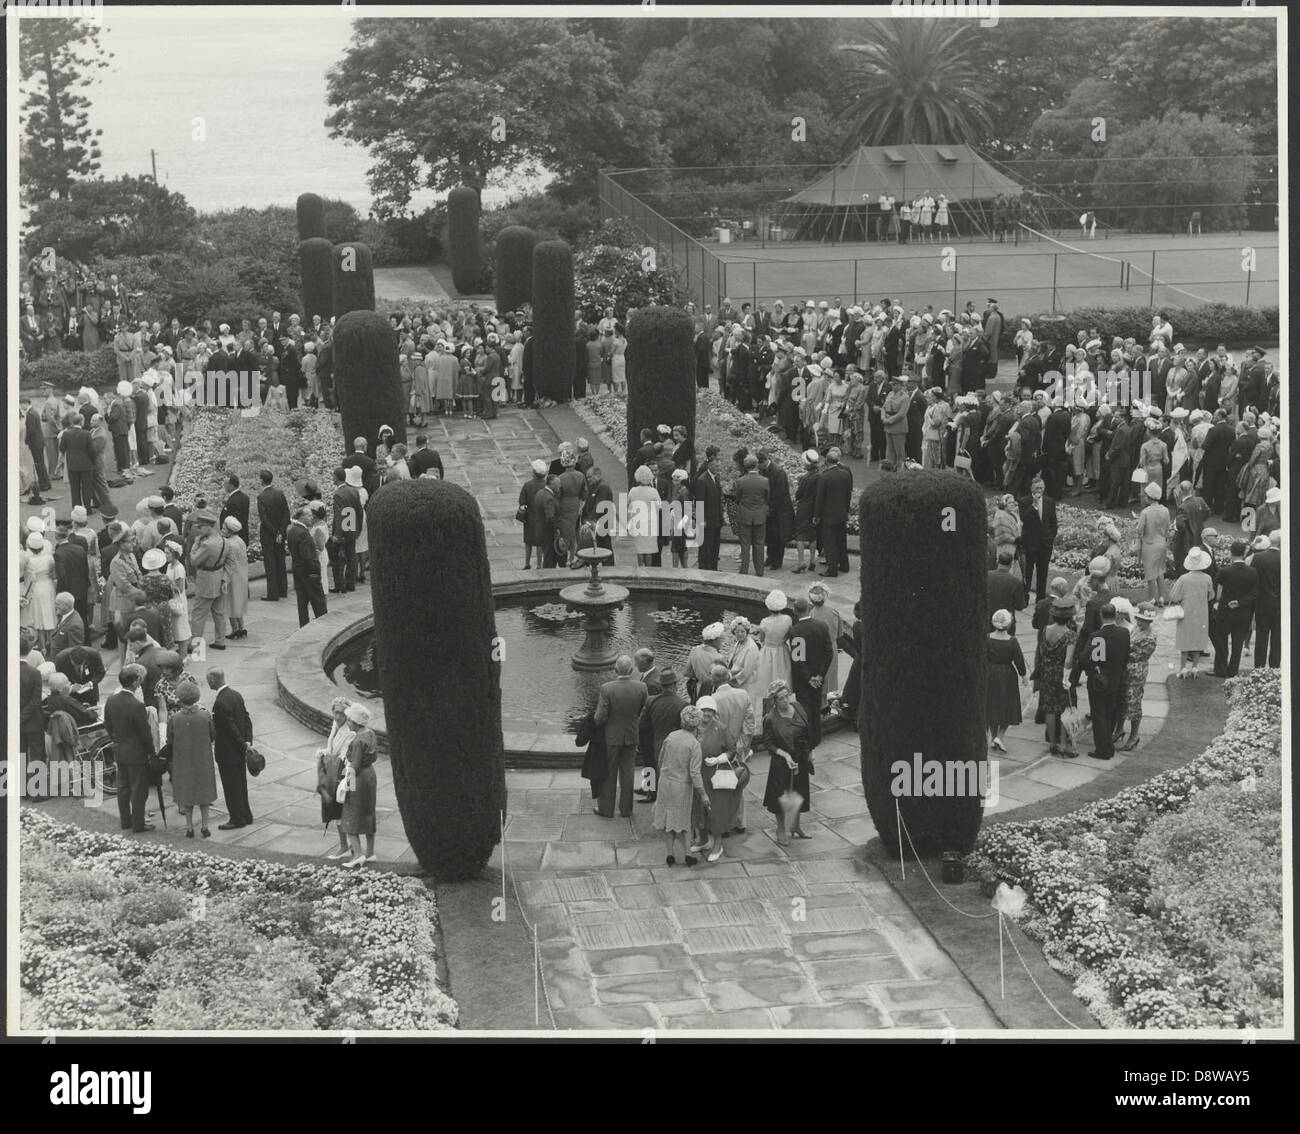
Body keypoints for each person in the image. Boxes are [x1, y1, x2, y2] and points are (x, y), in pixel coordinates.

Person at [1069, 602, 1129, 760]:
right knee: (1111, 713)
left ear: (1101, 616)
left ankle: (1103, 750)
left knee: (1099, 714)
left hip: (1099, 680)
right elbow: (1125, 657)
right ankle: (1108, 745)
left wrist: (1092, 668)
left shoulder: (1097, 636)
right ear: (1115, 615)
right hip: (1116, 679)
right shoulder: (1124, 633)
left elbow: (1084, 659)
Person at [652, 704, 709, 867]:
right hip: (681, 786)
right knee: (685, 821)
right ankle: (688, 856)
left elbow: (660, 759)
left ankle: (670, 854)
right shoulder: (694, 744)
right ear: (697, 724)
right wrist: (703, 794)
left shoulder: (671, 736)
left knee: (668, 818)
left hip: (665, 782)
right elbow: (695, 773)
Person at [593, 655, 649, 819]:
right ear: (631, 670)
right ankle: (626, 810)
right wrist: (635, 722)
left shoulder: (607, 688)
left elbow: (600, 717)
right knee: (628, 773)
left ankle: (606, 809)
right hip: (632, 734)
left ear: (616, 669)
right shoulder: (642, 687)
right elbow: (645, 711)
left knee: (609, 773)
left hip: (611, 736)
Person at [758, 680, 812, 845]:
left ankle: (795, 826)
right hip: (782, 764)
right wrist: (785, 756)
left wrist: (810, 752)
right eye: (781, 698)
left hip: (801, 759)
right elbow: (768, 744)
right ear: (774, 701)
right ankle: (781, 830)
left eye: (787, 696)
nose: (786, 700)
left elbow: (808, 731)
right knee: (780, 798)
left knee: (799, 793)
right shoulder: (770, 719)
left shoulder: (798, 707)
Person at [104, 664, 156, 833]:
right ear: (135, 683)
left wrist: (116, 740)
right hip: (136, 753)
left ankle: (126, 821)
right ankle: (139, 824)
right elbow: (145, 733)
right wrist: (151, 751)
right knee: (138, 790)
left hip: (120, 749)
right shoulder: (136, 705)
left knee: (123, 788)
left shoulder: (111, 700)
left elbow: (108, 724)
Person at [692, 695, 742, 862]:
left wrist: (719, 759)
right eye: (704, 710)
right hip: (697, 775)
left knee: (716, 810)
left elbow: (732, 750)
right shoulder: (692, 727)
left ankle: (717, 845)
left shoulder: (720, 728)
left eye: (710, 711)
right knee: (699, 809)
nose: (706, 713)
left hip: (715, 776)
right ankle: (704, 839)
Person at [167, 681, 217, 839]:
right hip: (203, 760)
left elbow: (170, 740)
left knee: (186, 795)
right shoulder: (205, 715)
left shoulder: (174, 718)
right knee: (204, 795)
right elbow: (212, 736)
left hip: (183, 761)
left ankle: (189, 827)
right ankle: (205, 826)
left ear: (180, 698)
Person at [208, 667, 253, 829]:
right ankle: (246, 815)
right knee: (240, 785)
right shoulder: (236, 695)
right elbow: (246, 718)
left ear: (213, 680)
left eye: (208, 680)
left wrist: (243, 744)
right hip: (239, 752)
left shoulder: (220, 702)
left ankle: (236, 819)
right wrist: (248, 741)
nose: (207, 682)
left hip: (228, 753)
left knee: (231, 788)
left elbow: (230, 728)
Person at [336, 702, 379, 867]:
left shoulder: (357, 742)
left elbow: (354, 766)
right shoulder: (372, 734)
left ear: (355, 722)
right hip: (370, 777)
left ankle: (357, 855)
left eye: (349, 720)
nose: (347, 723)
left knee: (350, 813)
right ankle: (370, 853)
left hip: (357, 778)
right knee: (368, 812)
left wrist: (344, 783)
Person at [1037, 596, 1080, 757]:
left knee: (1049, 709)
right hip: (1061, 675)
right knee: (1064, 709)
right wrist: (1066, 678)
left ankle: (1052, 744)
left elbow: (1042, 652)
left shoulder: (1046, 630)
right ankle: (1063, 744)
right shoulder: (1070, 635)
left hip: (1047, 674)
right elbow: (1068, 660)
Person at [789, 595, 833, 748]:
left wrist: (809, 678)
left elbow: (798, 660)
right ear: (808, 609)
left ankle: (808, 738)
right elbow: (829, 653)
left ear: (795, 611)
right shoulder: (822, 626)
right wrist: (820, 675)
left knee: (805, 709)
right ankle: (817, 737)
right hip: (819, 676)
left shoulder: (795, 631)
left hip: (804, 679)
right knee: (816, 706)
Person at [1211, 540, 1258, 679]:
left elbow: (1215, 582)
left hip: (1225, 612)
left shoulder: (1225, 571)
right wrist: (1240, 602)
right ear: (1244, 553)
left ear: (1231, 553)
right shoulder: (1252, 572)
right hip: (1243, 613)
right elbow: (1255, 593)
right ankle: (1233, 671)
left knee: (1222, 642)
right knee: (1237, 645)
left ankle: (1220, 670)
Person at [1114, 604, 1158, 752]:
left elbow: (1134, 654)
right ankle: (1118, 730)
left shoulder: (1150, 638)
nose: (1139, 622)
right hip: (1125, 669)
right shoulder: (1135, 630)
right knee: (1121, 699)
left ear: (1149, 621)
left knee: (1133, 703)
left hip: (1136, 672)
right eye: (1138, 619)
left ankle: (1134, 736)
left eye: (1143, 620)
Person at [317, 697, 355, 859]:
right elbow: (332, 750)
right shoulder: (335, 726)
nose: (338, 716)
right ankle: (347, 846)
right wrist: (324, 752)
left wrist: (328, 759)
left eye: (341, 713)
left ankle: (348, 847)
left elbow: (344, 756)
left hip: (345, 774)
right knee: (337, 811)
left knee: (344, 811)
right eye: (335, 712)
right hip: (334, 771)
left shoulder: (350, 732)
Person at [1167, 546, 1214, 679]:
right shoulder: (1207, 578)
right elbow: (1211, 596)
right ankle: (1195, 667)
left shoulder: (1183, 579)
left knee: (1185, 640)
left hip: (1186, 611)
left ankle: (1182, 668)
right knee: (1199, 639)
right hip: (1201, 612)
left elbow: (1174, 596)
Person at [986, 609, 1027, 752]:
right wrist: (1023, 675)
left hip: (990, 673)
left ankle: (993, 737)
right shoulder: (1012, 641)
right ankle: (1000, 737)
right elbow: (1019, 660)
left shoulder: (987, 638)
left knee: (991, 704)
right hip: (1007, 675)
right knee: (1007, 705)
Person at [187, 510, 229, 652]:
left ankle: (195, 645)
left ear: (208, 527)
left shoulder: (207, 544)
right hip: (219, 578)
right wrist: (224, 579)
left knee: (198, 614)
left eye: (200, 527)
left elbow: (194, 560)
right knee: (219, 613)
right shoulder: (224, 541)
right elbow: (228, 563)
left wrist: (195, 544)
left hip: (207, 581)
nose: (198, 531)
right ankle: (220, 641)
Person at [813, 447, 854, 577]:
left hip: (828, 515)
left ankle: (832, 569)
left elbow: (819, 499)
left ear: (827, 461)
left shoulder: (824, 477)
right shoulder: (845, 474)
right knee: (841, 541)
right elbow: (848, 495)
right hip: (841, 513)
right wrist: (846, 510)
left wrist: (816, 515)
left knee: (830, 542)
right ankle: (844, 565)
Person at [1018, 476, 1058, 603]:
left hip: (1045, 544)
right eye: (1036, 488)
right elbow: (1024, 518)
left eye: (1041, 488)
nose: (1039, 491)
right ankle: (1025, 597)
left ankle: (1040, 598)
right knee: (1027, 572)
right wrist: (1034, 505)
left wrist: (1051, 537)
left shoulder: (1049, 501)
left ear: (1044, 488)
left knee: (1043, 572)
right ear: (1031, 488)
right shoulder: (1024, 501)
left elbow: (1053, 522)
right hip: (1029, 543)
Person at [288, 506, 328, 627]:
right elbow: (306, 556)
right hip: (309, 573)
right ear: (302, 517)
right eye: (309, 516)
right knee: (318, 602)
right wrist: (315, 569)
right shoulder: (303, 533)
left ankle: (304, 627)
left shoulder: (292, 530)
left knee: (302, 602)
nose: (312, 518)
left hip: (298, 571)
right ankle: (324, 626)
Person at [21, 532, 59, 657]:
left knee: (39, 618)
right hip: (48, 587)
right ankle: (52, 643)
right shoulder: (49, 557)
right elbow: (53, 574)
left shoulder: (28, 559)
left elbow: (29, 578)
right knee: (50, 615)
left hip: (36, 588)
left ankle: (43, 647)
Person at [732, 454, 769, 577]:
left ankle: (744, 571)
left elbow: (737, 498)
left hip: (745, 516)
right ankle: (759, 571)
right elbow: (767, 498)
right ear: (756, 464)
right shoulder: (765, 481)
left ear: (745, 466)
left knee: (745, 545)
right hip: (760, 516)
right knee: (759, 544)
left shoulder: (740, 481)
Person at [1135, 481, 1171, 606]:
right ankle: (1161, 597)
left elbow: (1139, 530)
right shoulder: (1165, 510)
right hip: (1161, 543)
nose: (1144, 497)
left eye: (1146, 496)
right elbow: (1167, 527)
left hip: (1149, 544)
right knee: (1160, 571)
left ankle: (1151, 598)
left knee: (1150, 572)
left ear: (1150, 497)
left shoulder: (1146, 512)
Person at [1250, 530, 1282, 669]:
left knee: (1261, 636)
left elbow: (1252, 578)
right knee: (1277, 638)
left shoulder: (1258, 558)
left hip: (1262, 602)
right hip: (1280, 604)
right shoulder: (1284, 557)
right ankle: (1274, 666)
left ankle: (1259, 666)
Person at [257, 469, 290, 601]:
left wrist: (275, 532)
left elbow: (264, 519)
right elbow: (286, 514)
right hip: (280, 535)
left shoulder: (261, 497)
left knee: (270, 564)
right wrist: (281, 532)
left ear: (261, 480)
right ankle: (283, 590)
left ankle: (273, 593)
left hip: (268, 535)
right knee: (280, 562)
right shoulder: (280, 494)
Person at [792, 449, 820, 573]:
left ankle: (801, 562)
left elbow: (798, 495)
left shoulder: (805, 478)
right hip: (815, 508)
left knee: (799, 535)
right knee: (812, 535)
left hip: (804, 508)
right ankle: (812, 560)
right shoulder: (820, 476)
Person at [627, 465, 662, 567]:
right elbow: (659, 506)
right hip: (650, 523)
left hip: (638, 521)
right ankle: (648, 569)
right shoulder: (653, 491)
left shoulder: (633, 491)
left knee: (640, 548)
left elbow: (629, 503)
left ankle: (640, 568)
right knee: (649, 549)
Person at [727, 618, 762, 716]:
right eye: (737, 632)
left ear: (747, 631)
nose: (740, 634)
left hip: (746, 685)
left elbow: (747, 671)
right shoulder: (738, 643)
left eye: (742, 631)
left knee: (746, 710)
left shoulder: (751, 648)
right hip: (737, 683)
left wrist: (730, 679)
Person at [986, 550, 1027, 631]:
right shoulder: (1015, 582)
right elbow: (1020, 606)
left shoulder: (986, 576)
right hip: (1006, 623)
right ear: (1011, 565)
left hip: (988, 620)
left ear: (997, 562)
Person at [686, 623, 725, 703]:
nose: (722, 640)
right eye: (721, 638)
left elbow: (687, 673)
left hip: (695, 689)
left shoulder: (694, 650)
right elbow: (724, 679)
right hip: (710, 691)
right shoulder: (718, 657)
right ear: (715, 640)